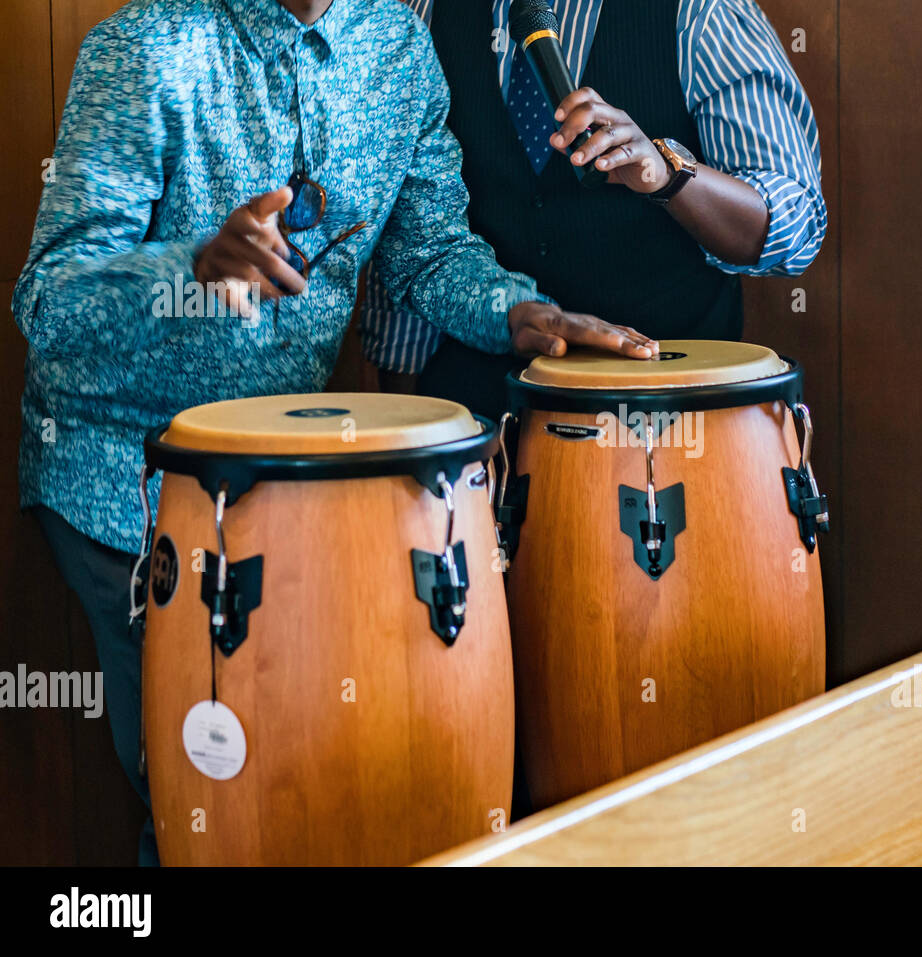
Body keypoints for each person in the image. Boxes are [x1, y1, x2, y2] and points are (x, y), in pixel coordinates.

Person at [12, 0, 656, 865]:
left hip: (290, 481)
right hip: (125, 482)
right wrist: (191, 268)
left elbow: (430, 253)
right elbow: (51, 305)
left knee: (297, 788)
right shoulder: (143, 47)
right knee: (205, 797)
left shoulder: (398, 45)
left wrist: (520, 314)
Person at [363, 0, 826, 415]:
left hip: (666, 417)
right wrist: (409, 435)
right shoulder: (423, 13)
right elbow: (410, 242)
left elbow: (794, 227)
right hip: (482, 419)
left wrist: (667, 175)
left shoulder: (699, 12)